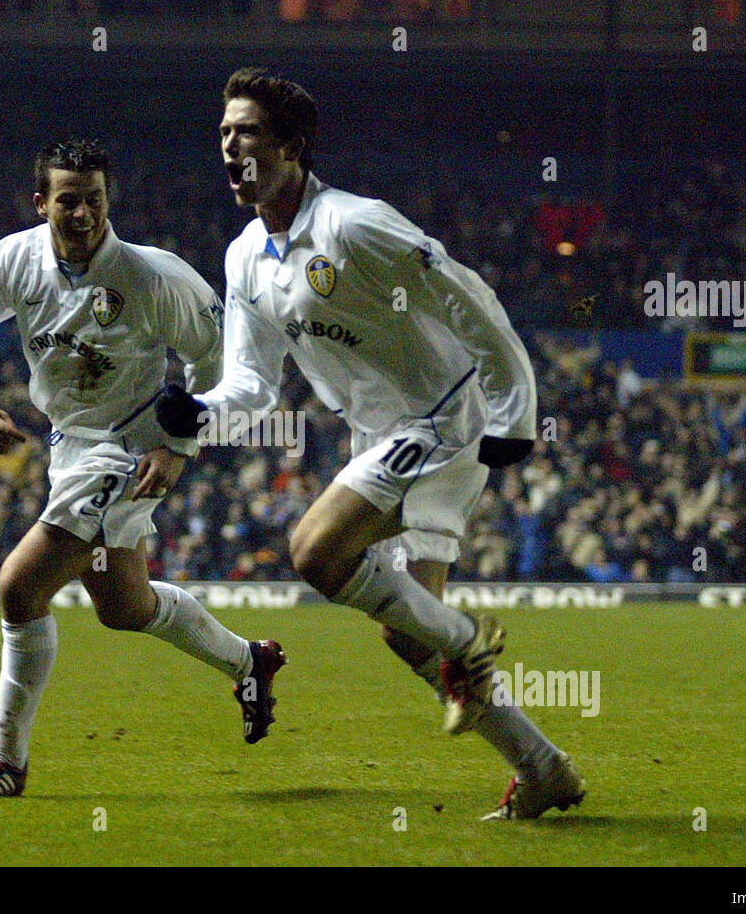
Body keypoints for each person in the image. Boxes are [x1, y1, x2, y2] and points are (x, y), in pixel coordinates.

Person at [156, 68, 582, 820]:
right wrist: (199, 411)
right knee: (404, 630)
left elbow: (467, 292)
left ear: (291, 145)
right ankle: (543, 767)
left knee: (315, 550)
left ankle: (468, 637)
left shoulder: (355, 224)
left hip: (444, 419)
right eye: (223, 132)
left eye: (247, 131)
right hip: (384, 434)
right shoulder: (243, 258)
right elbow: (253, 385)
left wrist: (517, 410)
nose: (229, 145)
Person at [0, 138, 286, 801]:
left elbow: (220, 358)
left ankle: (6, 759)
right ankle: (249, 660)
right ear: (42, 203)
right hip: (71, 447)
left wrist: (180, 445)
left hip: (130, 449)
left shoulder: (152, 276)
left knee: (18, 585)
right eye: (69, 199)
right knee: (124, 606)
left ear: (107, 200)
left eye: (94, 198)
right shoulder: (16, 260)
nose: (84, 212)